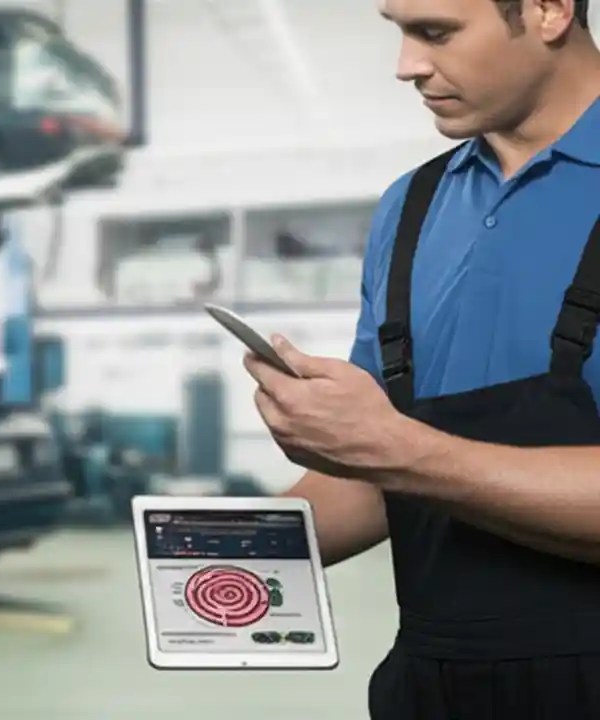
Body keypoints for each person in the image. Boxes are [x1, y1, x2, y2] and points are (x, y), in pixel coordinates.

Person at [241, 0, 600, 717]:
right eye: (400, 32)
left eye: (436, 32)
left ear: (550, 10)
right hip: (431, 683)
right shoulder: (411, 208)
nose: (407, 66)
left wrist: (393, 448)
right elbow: (383, 475)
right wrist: (221, 552)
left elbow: (402, 454)